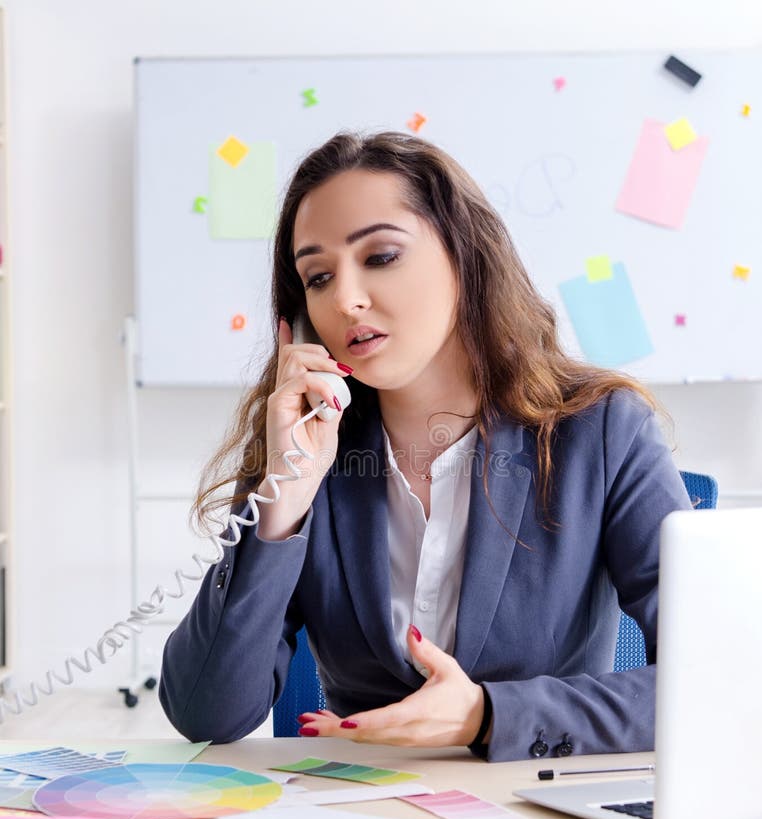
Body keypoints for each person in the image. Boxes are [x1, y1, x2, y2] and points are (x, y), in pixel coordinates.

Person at [159, 131, 691, 762]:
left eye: (380, 257)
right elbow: (206, 713)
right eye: (318, 277)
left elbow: (718, 681)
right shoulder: (306, 448)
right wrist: (284, 500)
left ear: (464, 257)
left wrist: (488, 716)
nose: (346, 299)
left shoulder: (600, 431)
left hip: (536, 812)